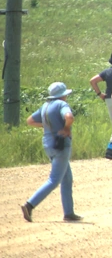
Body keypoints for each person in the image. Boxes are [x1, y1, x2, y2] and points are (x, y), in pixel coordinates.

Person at [21, 82, 82, 222]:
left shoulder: (45, 106)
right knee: (54, 180)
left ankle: (69, 213)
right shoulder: (61, 105)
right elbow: (69, 117)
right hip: (61, 145)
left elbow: (30, 121)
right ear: (63, 95)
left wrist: (48, 126)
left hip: (48, 144)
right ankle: (30, 205)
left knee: (66, 178)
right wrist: (66, 128)